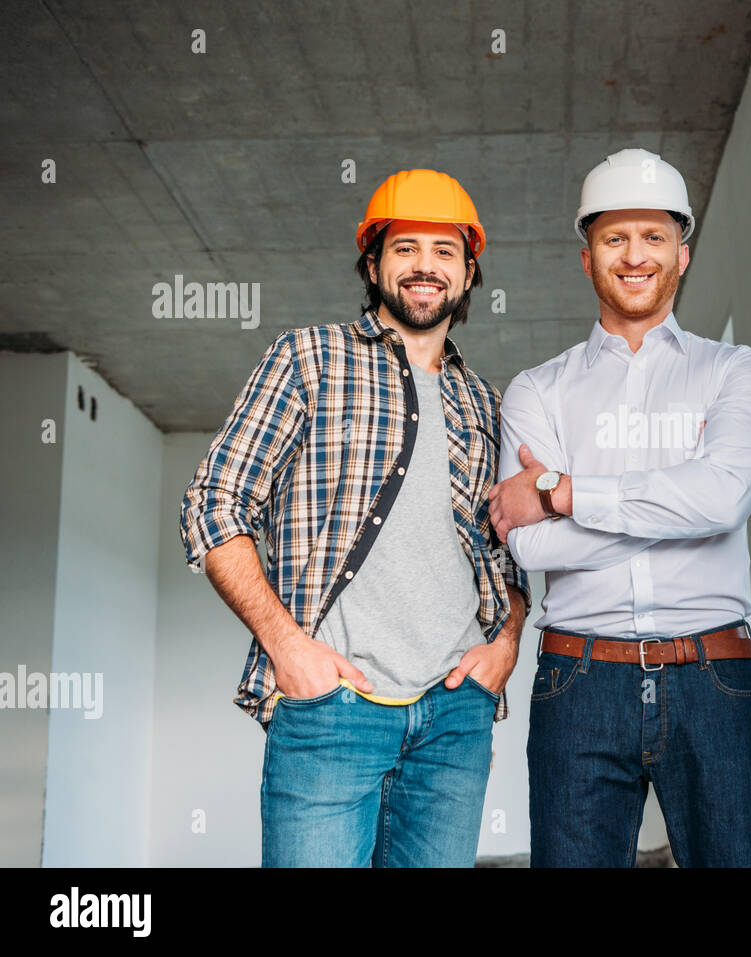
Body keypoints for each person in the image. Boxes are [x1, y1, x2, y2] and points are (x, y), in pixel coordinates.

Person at [180, 168, 530, 867]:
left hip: (454, 716)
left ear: (467, 274)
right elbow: (212, 504)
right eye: (405, 247)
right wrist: (288, 647)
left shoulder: (486, 403)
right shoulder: (307, 358)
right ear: (373, 263)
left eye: (445, 251)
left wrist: (508, 641)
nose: (425, 266)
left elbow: (506, 553)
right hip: (332, 708)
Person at [488, 148, 751, 867]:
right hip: (577, 681)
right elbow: (527, 546)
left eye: (653, 237)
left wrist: (566, 492)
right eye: (614, 238)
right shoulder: (536, 390)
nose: (634, 255)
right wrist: (679, 513)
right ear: (587, 257)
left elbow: (722, 496)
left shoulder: (736, 370)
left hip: (715, 675)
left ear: (682, 254)